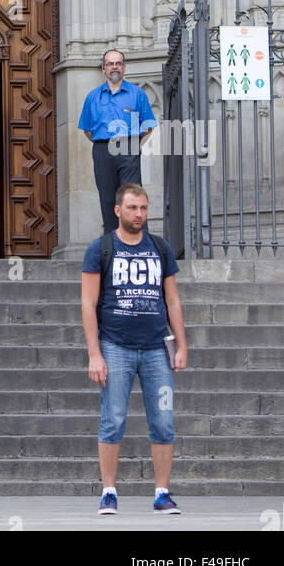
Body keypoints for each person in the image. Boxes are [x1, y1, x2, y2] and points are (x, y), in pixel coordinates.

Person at [81, 184, 187, 515]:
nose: (139, 214)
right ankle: (109, 492)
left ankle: (162, 493)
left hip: (157, 350)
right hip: (115, 348)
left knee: (164, 421)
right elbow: (88, 303)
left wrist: (181, 345)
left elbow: (172, 300)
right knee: (112, 420)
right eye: (132, 208)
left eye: (143, 208)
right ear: (117, 210)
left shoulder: (160, 247)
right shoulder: (100, 249)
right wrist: (94, 353)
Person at [78, 50, 157, 233]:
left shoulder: (137, 94)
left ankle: (139, 244)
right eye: (111, 64)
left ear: (124, 68)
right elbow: (87, 130)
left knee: (132, 197)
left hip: (129, 147)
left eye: (119, 64)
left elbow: (148, 126)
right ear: (103, 69)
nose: (115, 67)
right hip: (102, 150)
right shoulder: (92, 97)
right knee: (107, 199)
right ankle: (113, 246)